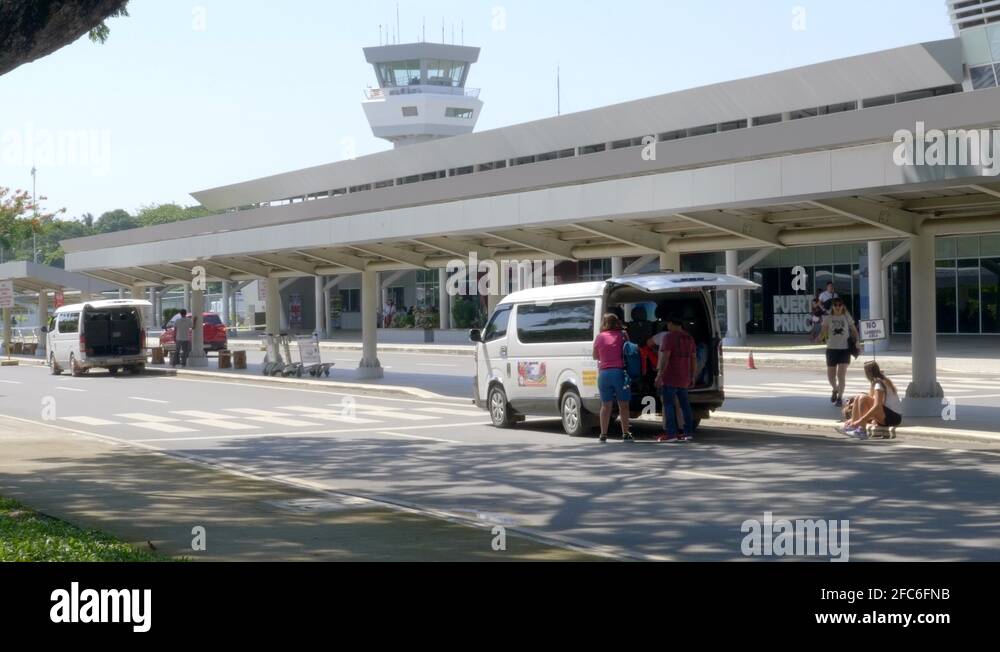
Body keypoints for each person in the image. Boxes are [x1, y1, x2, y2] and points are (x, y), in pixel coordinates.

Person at [654, 314, 697, 443]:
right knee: (685, 405)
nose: (667, 326)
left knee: (669, 405)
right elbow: (693, 358)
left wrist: (659, 375)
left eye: (668, 324)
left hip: (670, 376)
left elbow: (665, 358)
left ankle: (671, 434)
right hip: (684, 377)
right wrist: (692, 375)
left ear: (673, 324)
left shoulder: (668, 337)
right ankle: (688, 433)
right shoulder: (689, 338)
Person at [593, 313, 633, 443]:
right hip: (619, 374)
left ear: (604, 323)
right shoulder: (623, 335)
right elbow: (629, 351)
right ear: (617, 322)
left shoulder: (599, 337)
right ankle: (625, 433)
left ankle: (603, 434)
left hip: (604, 374)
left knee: (605, 406)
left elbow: (595, 356)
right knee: (623, 405)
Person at [842, 361, 903, 437]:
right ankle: (853, 427)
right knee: (859, 397)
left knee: (863, 398)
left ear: (867, 373)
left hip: (893, 418)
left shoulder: (879, 384)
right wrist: (854, 419)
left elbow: (877, 406)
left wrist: (861, 420)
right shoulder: (878, 381)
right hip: (888, 415)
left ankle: (862, 429)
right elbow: (872, 401)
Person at [818, 298, 859, 408]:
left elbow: (854, 330)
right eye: (835, 305)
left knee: (841, 375)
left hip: (844, 349)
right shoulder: (828, 318)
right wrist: (819, 337)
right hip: (831, 349)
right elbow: (823, 331)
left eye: (839, 305)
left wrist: (857, 342)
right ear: (832, 307)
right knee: (831, 376)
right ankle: (835, 389)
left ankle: (840, 397)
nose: (837, 307)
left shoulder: (846, 316)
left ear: (842, 306)